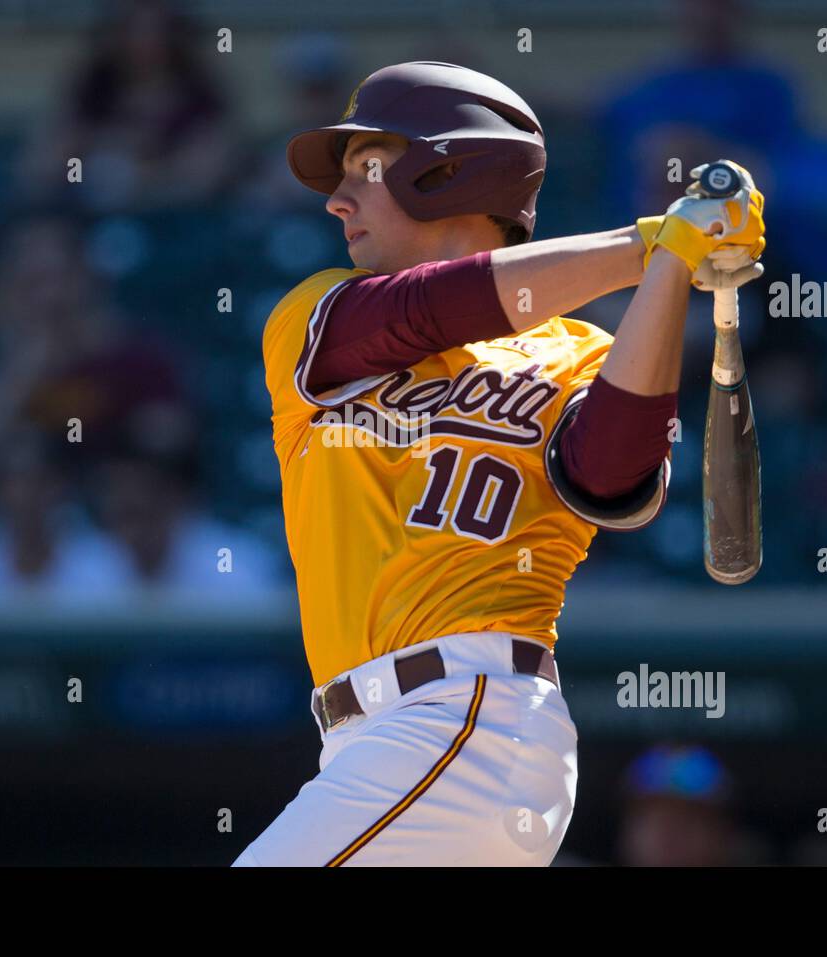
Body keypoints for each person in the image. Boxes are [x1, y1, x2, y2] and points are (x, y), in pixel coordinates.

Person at [237, 61, 765, 866]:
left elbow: (611, 478)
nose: (337, 202)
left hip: (469, 710)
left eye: (365, 171)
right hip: (367, 741)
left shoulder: (581, 353)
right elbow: (432, 306)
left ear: (446, 169)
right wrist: (649, 243)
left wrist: (673, 267)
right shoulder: (317, 313)